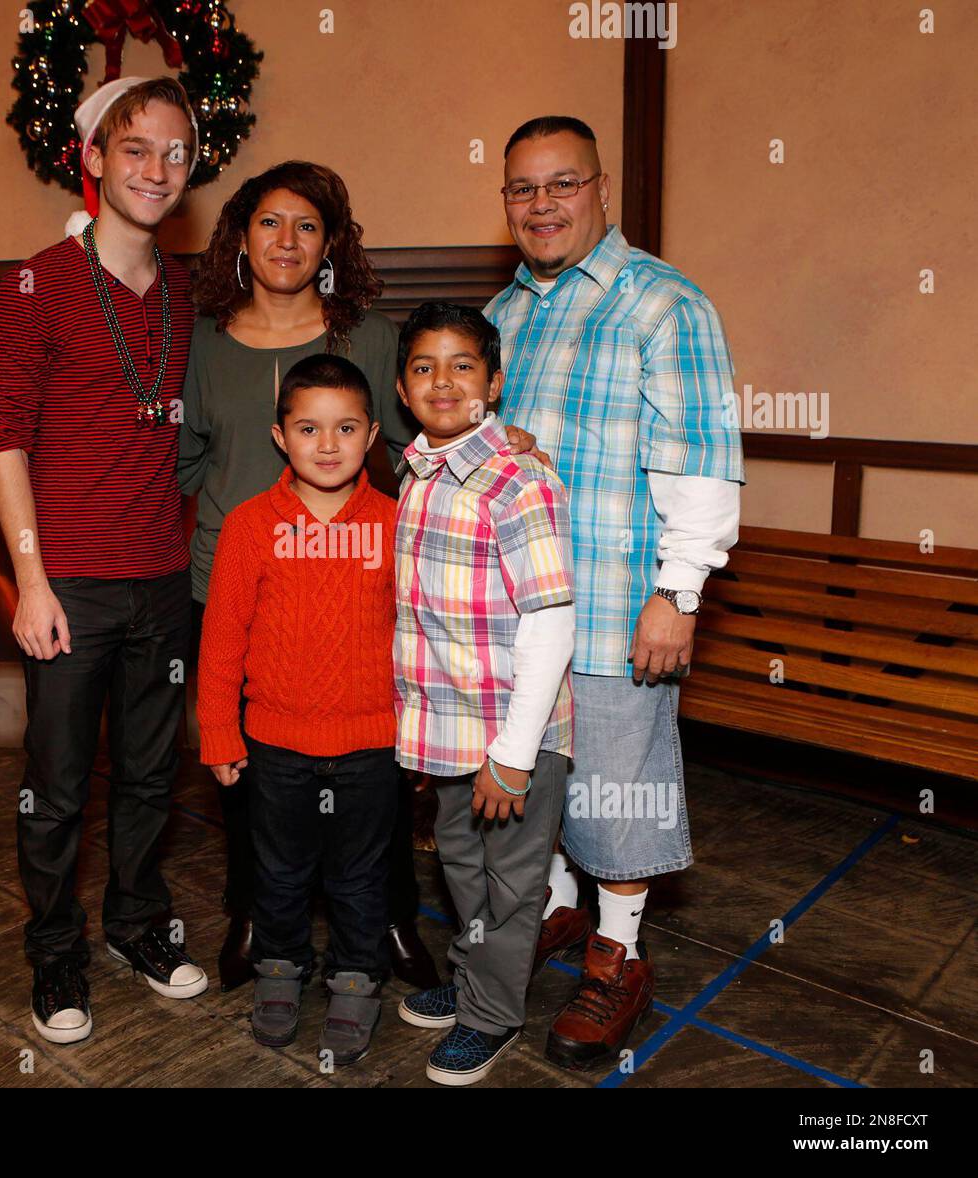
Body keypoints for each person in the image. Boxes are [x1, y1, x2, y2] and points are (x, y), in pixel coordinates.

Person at [484, 116, 744, 1070]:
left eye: (561, 184)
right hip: (520, 612)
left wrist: (679, 592)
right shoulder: (505, 312)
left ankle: (618, 955)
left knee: (617, 790)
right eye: (522, 189)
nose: (541, 204)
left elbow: (704, 460)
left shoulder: (666, 306)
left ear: (601, 189)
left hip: (613, 603)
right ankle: (555, 909)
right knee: (543, 776)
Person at [0, 76, 209, 1046]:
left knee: (153, 776)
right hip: (67, 584)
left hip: (162, 579)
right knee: (60, 784)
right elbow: (3, 439)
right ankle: (55, 948)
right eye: (137, 149)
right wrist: (30, 580)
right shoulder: (35, 282)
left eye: (176, 153)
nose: (157, 169)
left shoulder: (193, 291)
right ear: (95, 158)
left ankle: (136, 924)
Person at [177, 161, 439, 991]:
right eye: (268, 223)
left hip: (358, 587)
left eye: (307, 227)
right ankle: (257, 921)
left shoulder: (368, 336)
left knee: (376, 780)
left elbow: (420, 444)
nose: (286, 242)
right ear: (240, 238)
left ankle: (391, 920)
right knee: (251, 782)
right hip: (233, 582)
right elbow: (185, 464)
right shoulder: (204, 341)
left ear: (330, 244)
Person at [392, 302, 576, 1086]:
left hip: (512, 737)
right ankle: (475, 984)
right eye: (425, 367)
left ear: (494, 382)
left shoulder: (516, 480)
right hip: (451, 731)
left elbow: (551, 621)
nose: (443, 382)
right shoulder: (419, 471)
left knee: (511, 883)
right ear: (402, 387)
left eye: (463, 366)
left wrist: (513, 754)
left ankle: (493, 1017)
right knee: (463, 866)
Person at [198, 354, 398, 1066]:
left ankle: (356, 974)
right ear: (280, 436)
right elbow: (223, 636)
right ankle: (279, 969)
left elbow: (418, 635)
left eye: (345, 427)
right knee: (277, 871)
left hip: (373, 741)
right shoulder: (251, 525)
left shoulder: (395, 523)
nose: (327, 443)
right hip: (275, 742)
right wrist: (220, 730)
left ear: (372, 433)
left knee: (360, 872)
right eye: (308, 427)